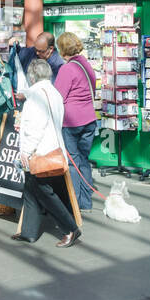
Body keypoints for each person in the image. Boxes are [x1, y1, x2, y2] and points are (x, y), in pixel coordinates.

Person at [12, 59, 81, 248]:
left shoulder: (35, 95)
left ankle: (70, 228)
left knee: (42, 190)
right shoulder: (54, 93)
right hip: (55, 148)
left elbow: (35, 126)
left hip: (40, 151)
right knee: (35, 188)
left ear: (32, 76)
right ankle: (29, 231)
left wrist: (26, 151)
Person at [54, 32, 98, 213]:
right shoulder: (86, 65)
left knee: (72, 163)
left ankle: (75, 203)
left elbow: (58, 97)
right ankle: (86, 202)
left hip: (72, 123)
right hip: (89, 119)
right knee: (84, 161)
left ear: (62, 49)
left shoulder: (67, 69)